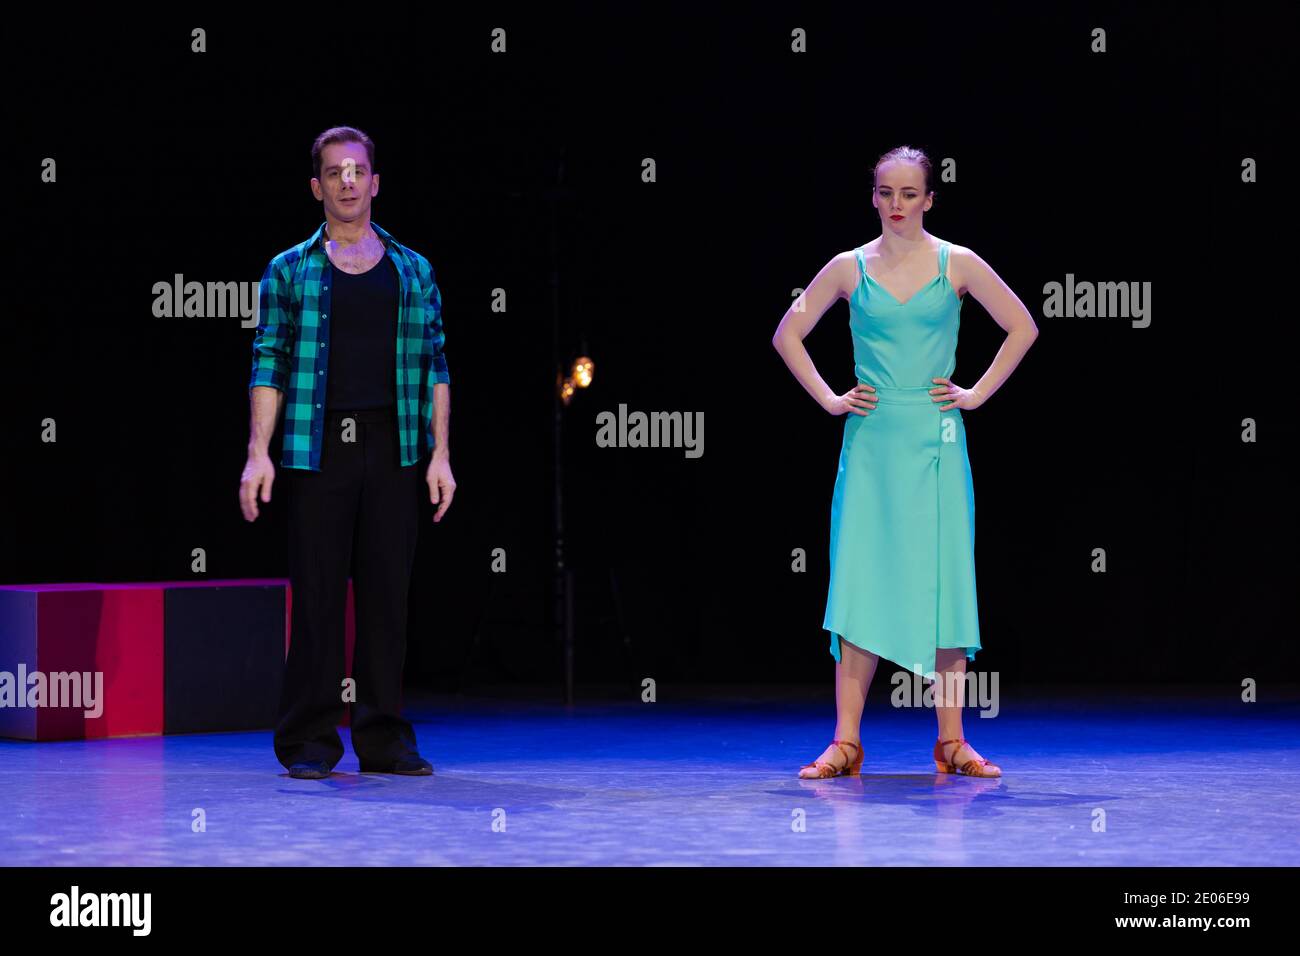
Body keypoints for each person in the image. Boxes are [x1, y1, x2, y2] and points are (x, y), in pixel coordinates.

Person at [771, 145, 1037, 779]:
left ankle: (951, 741)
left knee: (944, 582)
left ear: (929, 199)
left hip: (938, 437)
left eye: (909, 193)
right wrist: (832, 400)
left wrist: (973, 394)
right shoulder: (847, 267)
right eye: (885, 193)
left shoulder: (958, 263)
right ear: (873, 197)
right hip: (872, 439)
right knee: (862, 578)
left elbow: (1022, 326)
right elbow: (787, 334)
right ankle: (846, 741)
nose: (896, 205)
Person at [238, 125, 455, 779]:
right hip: (318, 446)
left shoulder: (414, 269)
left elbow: (436, 366)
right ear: (317, 187)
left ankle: (384, 738)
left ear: (376, 182)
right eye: (335, 172)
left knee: (389, 597)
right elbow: (268, 363)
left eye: (358, 170)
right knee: (318, 597)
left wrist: (441, 454)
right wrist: (258, 452)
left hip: (394, 448)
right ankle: (308, 740)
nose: (348, 182)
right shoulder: (290, 270)